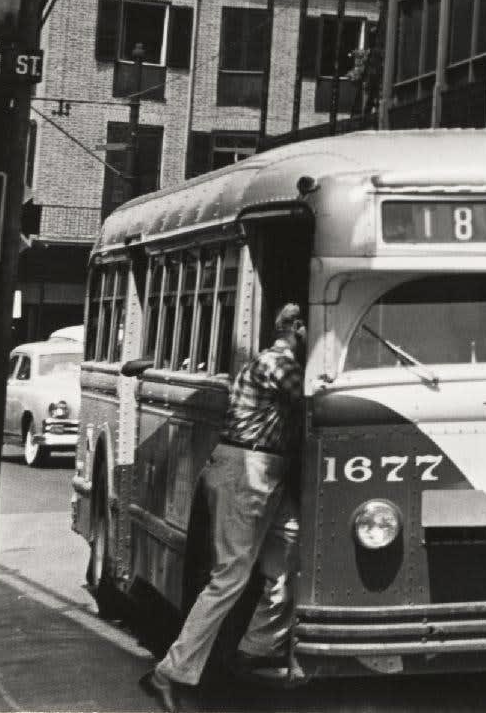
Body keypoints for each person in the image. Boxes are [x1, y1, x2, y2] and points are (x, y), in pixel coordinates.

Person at [141, 303, 306, 711]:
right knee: (229, 577)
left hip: (260, 470)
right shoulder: (278, 364)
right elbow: (314, 400)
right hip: (248, 470)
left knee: (291, 548)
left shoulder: (261, 363)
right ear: (296, 329)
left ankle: (254, 651)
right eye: (308, 327)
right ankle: (170, 672)